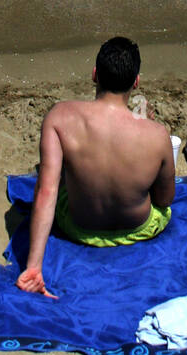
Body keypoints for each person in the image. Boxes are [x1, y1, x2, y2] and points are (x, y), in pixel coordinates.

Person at [17, 36, 175, 296]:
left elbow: (47, 191)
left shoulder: (59, 117)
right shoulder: (157, 134)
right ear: (136, 82)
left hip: (78, 227)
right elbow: (166, 199)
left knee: (56, 173)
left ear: (94, 75)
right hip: (139, 228)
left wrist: (33, 266)